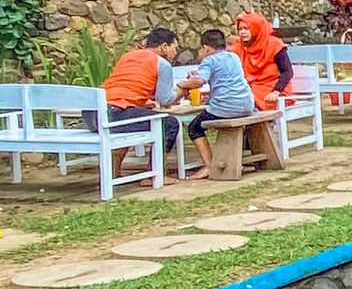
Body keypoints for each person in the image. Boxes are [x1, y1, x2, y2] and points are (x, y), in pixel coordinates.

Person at [95, 28, 180, 177]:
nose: (175, 52)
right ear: (164, 47)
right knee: (168, 124)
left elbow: (123, 86)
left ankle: (114, 169)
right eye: (175, 48)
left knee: (132, 120)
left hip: (93, 114)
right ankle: (156, 174)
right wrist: (182, 88)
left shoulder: (128, 56)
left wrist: (140, 101)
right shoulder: (162, 63)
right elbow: (165, 100)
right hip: (113, 115)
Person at [175, 29, 256, 179]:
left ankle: (209, 165)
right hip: (247, 104)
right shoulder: (234, 56)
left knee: (194, 127)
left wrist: (182, 84)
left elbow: (199, 82)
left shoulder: (209, 60)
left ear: (206, 48)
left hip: (226, 107)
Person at [230, 13, 293, 110]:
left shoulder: (274, 44)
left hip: (274, 88)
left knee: (246, 100)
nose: (242, 32)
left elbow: (287, 72)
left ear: (256, 27)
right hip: (250, 87)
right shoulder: (238, 46)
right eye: (240, 29)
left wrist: (276, 91)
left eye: (246, 29)